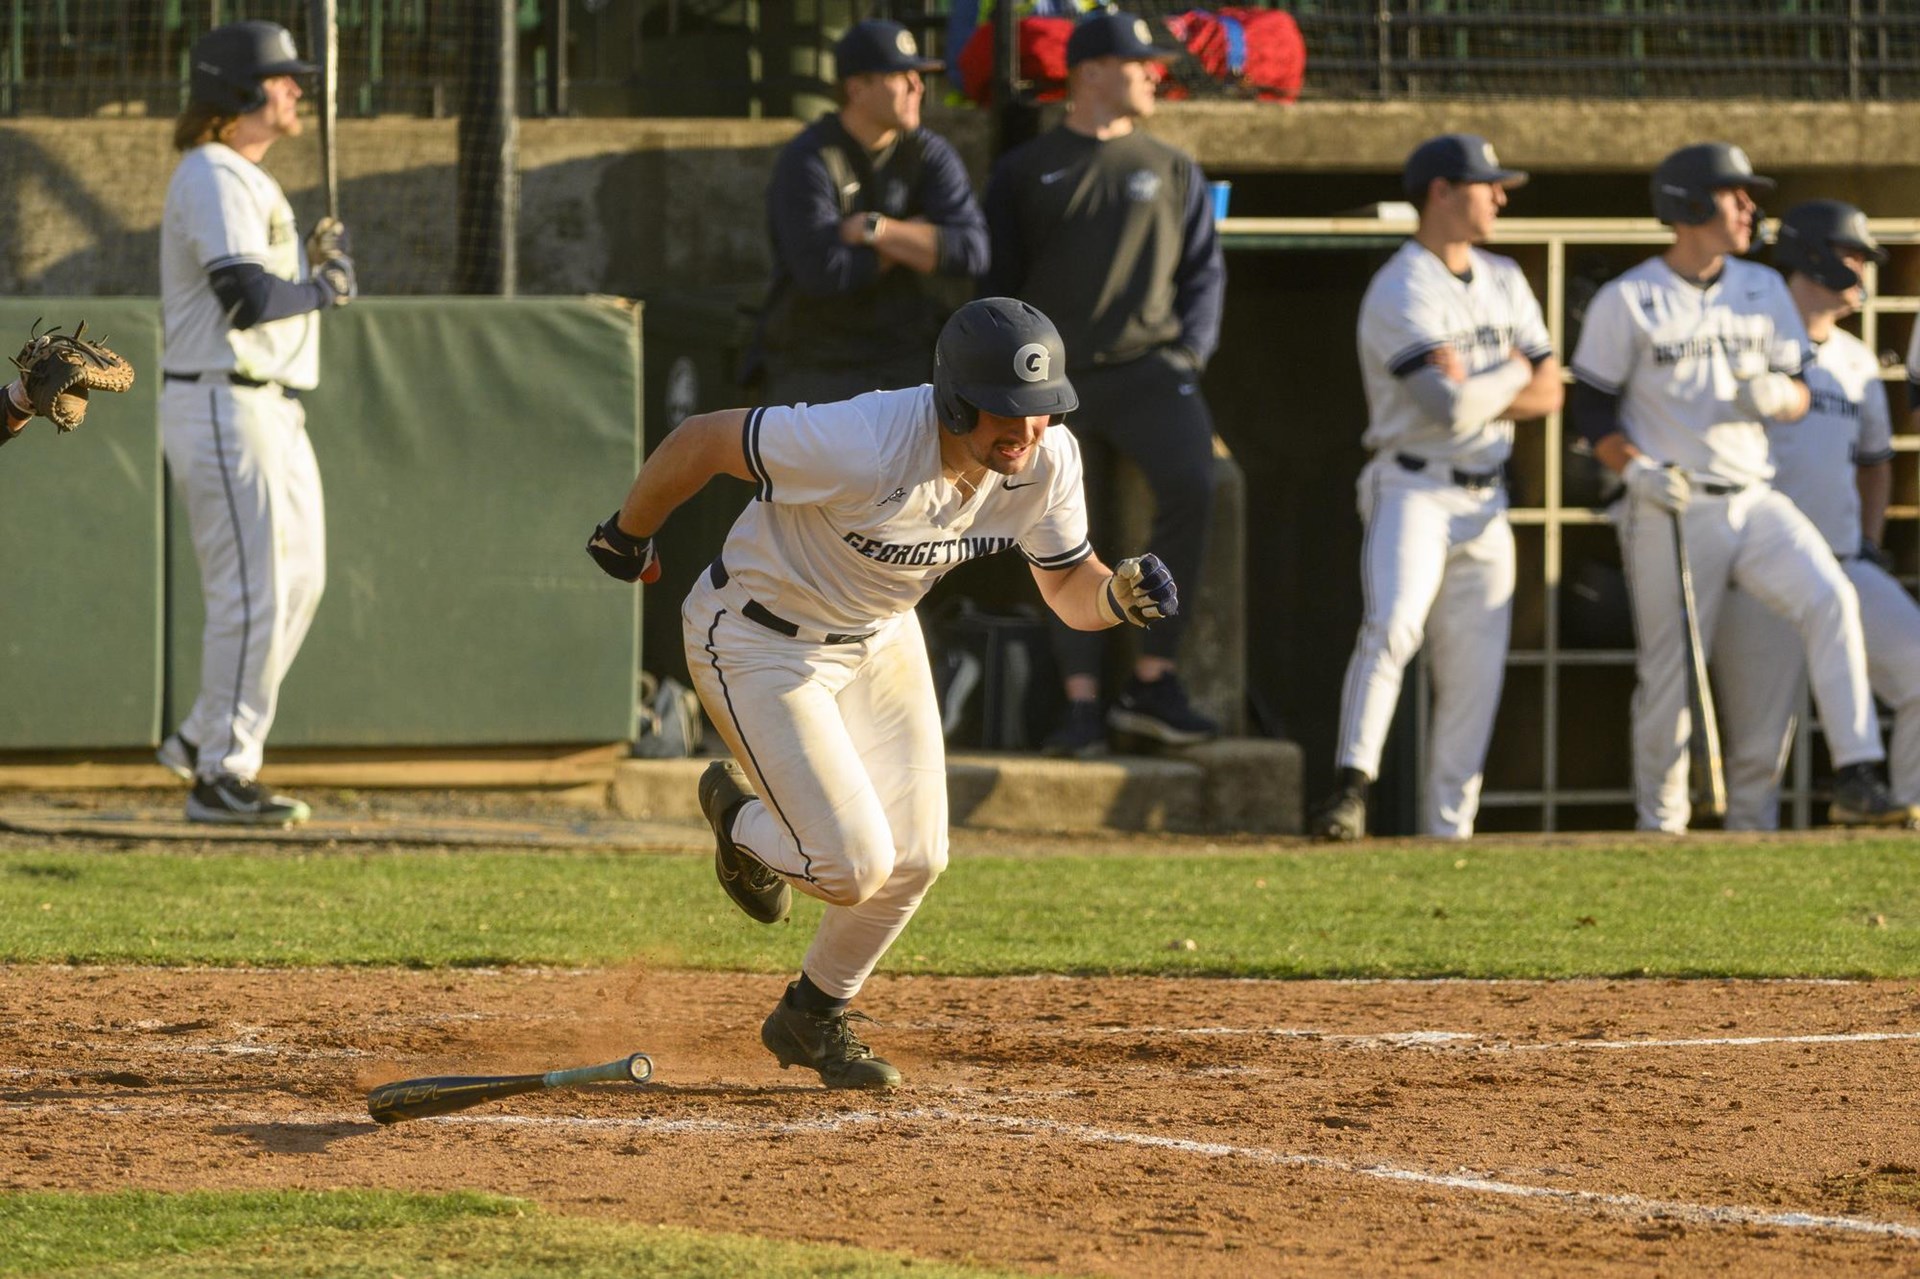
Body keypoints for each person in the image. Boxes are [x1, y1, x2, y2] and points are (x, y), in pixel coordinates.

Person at [585, 298, 1182, 1090]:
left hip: (878, 632)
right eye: (1008, 412)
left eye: (1042, 411)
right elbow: (702, 439)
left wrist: (1115, 599)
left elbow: (1070, 583)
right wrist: (629, 534)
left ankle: (812, 1013)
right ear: (957, 401)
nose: (1027, 431)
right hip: (759, 639)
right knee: (850, 865)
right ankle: (740, 821)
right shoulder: (864, 442)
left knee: (920, 855)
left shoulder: (1045, 461)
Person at [1567, 143, 1914, 831]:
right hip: (1669, 500)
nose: (1751, 209)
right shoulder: (1630, 297)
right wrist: (1632, 465)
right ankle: (1659, 824)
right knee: (1669, 672)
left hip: (1751, 493)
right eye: (1735, 196)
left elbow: (1795, 390)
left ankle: (1855, 771)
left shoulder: (1759, 288)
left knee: (1829, 597)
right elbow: (1593, 407)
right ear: (1691, 205)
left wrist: (1776, 395)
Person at [982, 9, 1224, 757]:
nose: (1154, 73)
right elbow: (996, 282)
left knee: (1198, 483)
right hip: (1055, 384)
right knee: (1059, 529)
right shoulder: (1026, 170)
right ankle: (1081, 705)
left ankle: (1152, 682)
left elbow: (1203, 275)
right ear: (1088, 73)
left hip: (1153, 369)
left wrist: (1190, 357)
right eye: (1138, 63)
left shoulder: (1175, 166)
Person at [1310, 136, 1561, 841]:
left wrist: (1484, 382)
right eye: (1487, 184)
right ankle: (1349, 788)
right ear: (1441, 192)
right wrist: (1510, 370)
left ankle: (1449, 831)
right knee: (1392, 627)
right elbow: (1443, 406)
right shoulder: (1401, 284)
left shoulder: (1506, 274)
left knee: (1474, 672)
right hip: (1412, 483)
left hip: (1487, 495)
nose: (1500, 196)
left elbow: (1551, 393)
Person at [154, 20, 357, 826]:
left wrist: (309, 262)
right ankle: (221, 773)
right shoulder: (210, 170)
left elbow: (264, 287)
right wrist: (326, 284)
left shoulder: (242, 176)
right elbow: (248, 298)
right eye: (281, 79)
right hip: (220, 397)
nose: (296, 89)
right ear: (239, 93)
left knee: (300, 583)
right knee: (253, 594)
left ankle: (199, 736)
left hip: (266, 402)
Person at [1712, 200, 1920, 827]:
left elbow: (1874, 462)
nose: (1863, 272)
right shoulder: (1748, 337)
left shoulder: (1856, 359)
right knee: (1756, 756)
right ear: (1814, 256)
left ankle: (1905, 820)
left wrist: (1870, 537)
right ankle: (1737, 895)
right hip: (1761, 571)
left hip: (1843, 560)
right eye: (1854, 257)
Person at [747, 19, 989, 407]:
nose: (918, 86)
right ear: (857, 88)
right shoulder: (809, 159)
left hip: (906, 359)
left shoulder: (928, 153)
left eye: (918, 74)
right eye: (901, 75)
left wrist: (872, 229)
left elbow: (970, 252)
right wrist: (918, 240)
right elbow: (823, 272)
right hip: (816, 366)